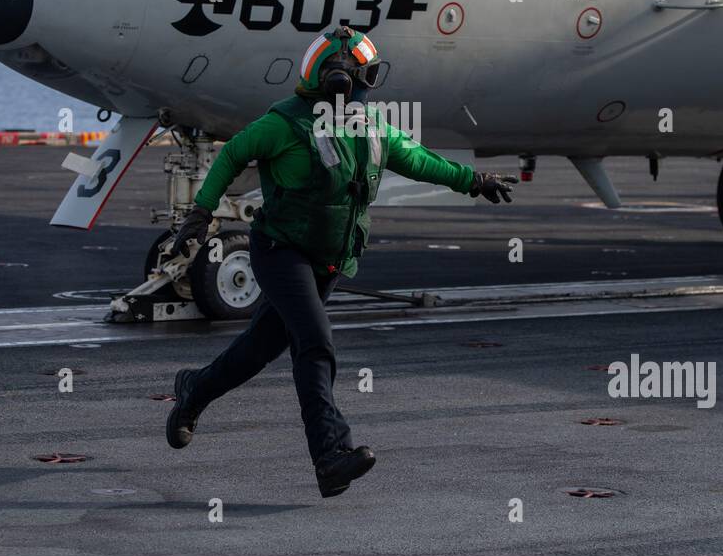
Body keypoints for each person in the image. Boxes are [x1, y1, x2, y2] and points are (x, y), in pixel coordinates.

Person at [164, 26, 517, 497]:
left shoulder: (370, 127)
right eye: (364, 75)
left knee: (258, 349)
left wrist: (474, 180)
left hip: (327, 261)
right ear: (341, 80)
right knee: (315, 344)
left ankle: (195, 390)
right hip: (280, 251)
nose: (369, 84)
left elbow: (418, 160)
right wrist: (202, 212)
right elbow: (233, 154)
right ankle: (330, 454)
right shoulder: (282, 125)